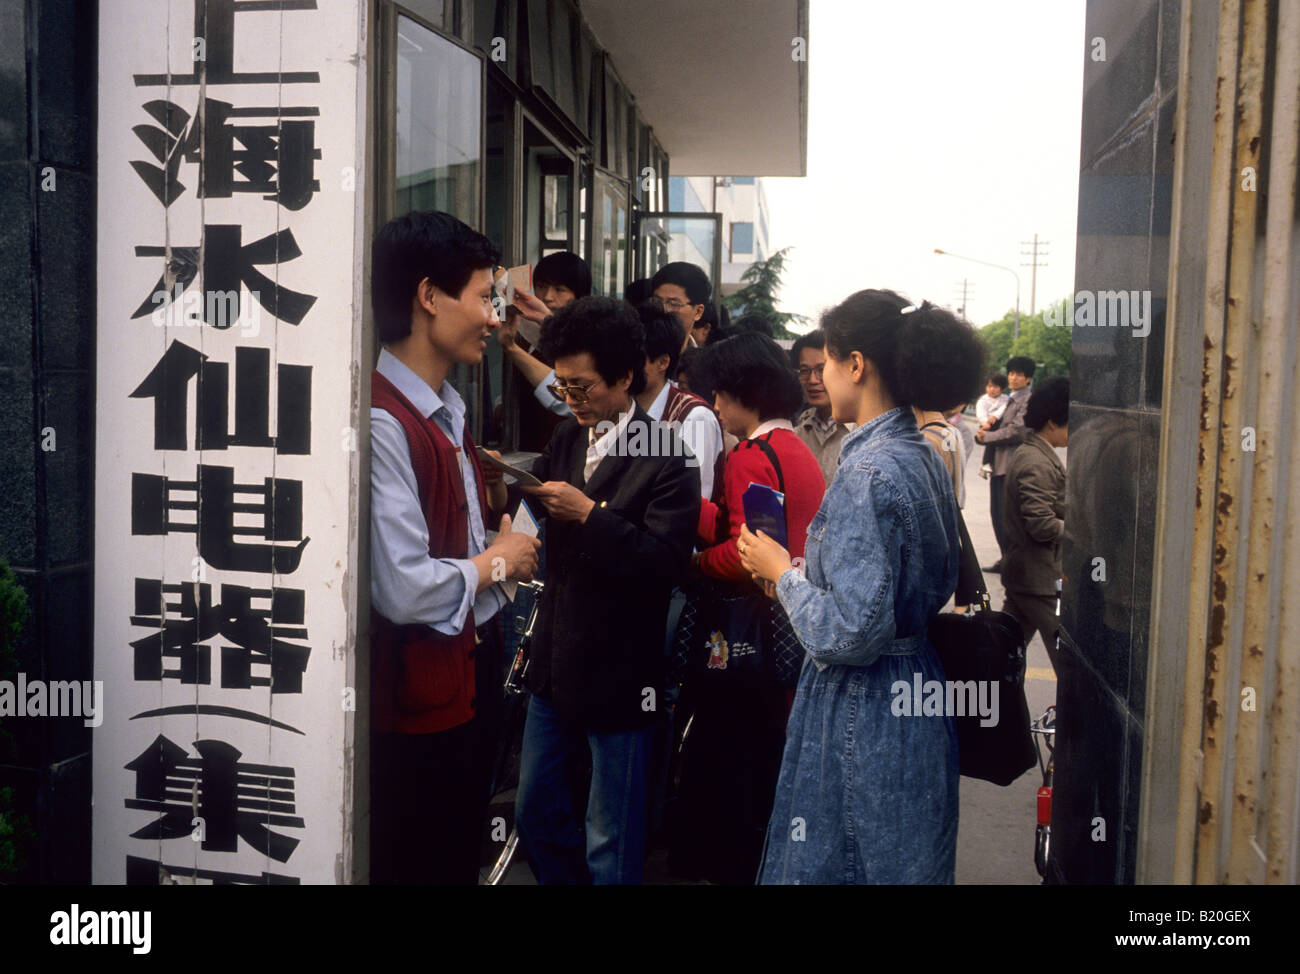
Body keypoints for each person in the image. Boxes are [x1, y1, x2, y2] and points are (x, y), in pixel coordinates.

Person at [739, 291, 984, 885]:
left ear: (856, 364)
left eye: (823, 364)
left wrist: (782, 574)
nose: (816, 377)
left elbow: (849, 632)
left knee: (845, 862)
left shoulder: (867, 470)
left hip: (863, 704)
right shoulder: (920, 453)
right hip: (915, 694)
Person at [368, 210, 541, 885]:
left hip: (462, 677)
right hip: (417, 706)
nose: (494, 318)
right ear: (428, 296)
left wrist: (492, 543)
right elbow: (404, 587)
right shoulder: (386, 421)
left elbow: (455, 544)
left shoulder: (447, 411)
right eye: (483, 296)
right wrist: (499, 560)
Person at [513, 296, 699, 885]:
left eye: (583, 387)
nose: (571, 399)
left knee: (611, 832)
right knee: (534, 812)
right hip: (553, 664)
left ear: (625, 376)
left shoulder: (669, 452)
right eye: (563, 386)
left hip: (622, 674)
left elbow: (667, 564)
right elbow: (536, 520)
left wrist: (591, 515)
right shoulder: (567, 439)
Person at [668, 332, 825, 884]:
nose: (713, 406)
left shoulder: (751, 455)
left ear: (745, 394)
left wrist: (694, 565)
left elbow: (747, 554)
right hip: (787, 632)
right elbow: (754, 526)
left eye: (720, 395)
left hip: (748, 639)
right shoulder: (796, 451)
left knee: (727, 763)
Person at [1002, 375, 1068, 673]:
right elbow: (1041, 524)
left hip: (1024, 576)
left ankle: (990, 713)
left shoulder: (1034, 454)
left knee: (1004, 659)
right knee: (1068, 662)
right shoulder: (1037, 462)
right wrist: (1080, 532)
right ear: (1053, 422)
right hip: (1038, 580)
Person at [635, 304, 725, 501]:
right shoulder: (619, 407)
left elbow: (692, 501)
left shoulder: (694, 417)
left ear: (663, 362)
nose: (626, 366)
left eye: (637, 359)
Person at [975, 356, 1034, 572]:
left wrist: (987, 438)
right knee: (998, 514)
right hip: (999, 465)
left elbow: (1017, 430)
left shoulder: (1026, 400)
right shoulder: (1007, 399)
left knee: (1008, 516)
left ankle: (1014, 561)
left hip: (1011, 465)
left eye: (1019, 374)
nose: (1013, 377)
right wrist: (982, 434)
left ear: (1028, 378)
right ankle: (1006, 558)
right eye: (1011, 373)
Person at [790, 329, 852, 487]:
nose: (812, 380)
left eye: (821, 370)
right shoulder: (799, 433)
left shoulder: (860, 432)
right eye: (804, 371)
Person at [651, 262, 712, 347]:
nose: (663, 310)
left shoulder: (704, 359)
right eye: (657, 302)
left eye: (673, 304)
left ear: (698, 312)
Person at [975, 373, 1010, 478]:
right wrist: (985, 423)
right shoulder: (983, 400)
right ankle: (986, 463)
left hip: (998, 423)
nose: (992, 389)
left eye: (996, 387)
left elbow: (1004, 408)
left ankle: (988, 464)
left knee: (994, 444)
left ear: (1002, 389)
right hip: (986, 425)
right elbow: (980, 413)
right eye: (989, 386)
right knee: (990, 443)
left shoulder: (1005, 399)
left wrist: (995, 416)